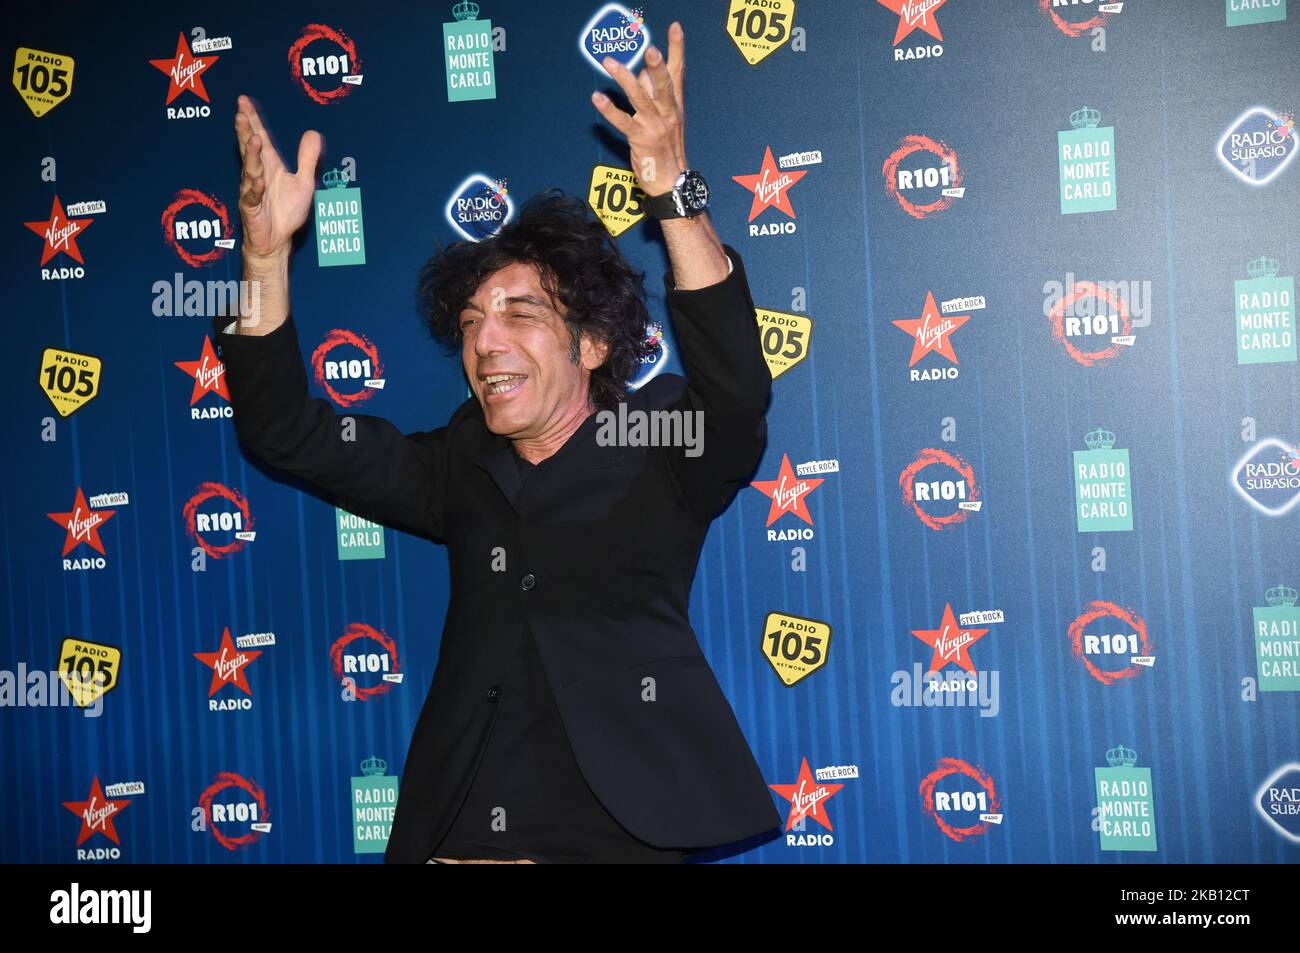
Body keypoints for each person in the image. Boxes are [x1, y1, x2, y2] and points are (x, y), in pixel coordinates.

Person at [220, 21, 781, 863]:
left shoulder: (659, 436)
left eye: (520, 314)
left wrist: (671, 193)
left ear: (592, 345)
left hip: (620, 840)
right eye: (473, 323)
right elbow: (285, 432)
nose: (485, 342)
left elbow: (736, 391)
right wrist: (265, 261)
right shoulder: (458, 461)